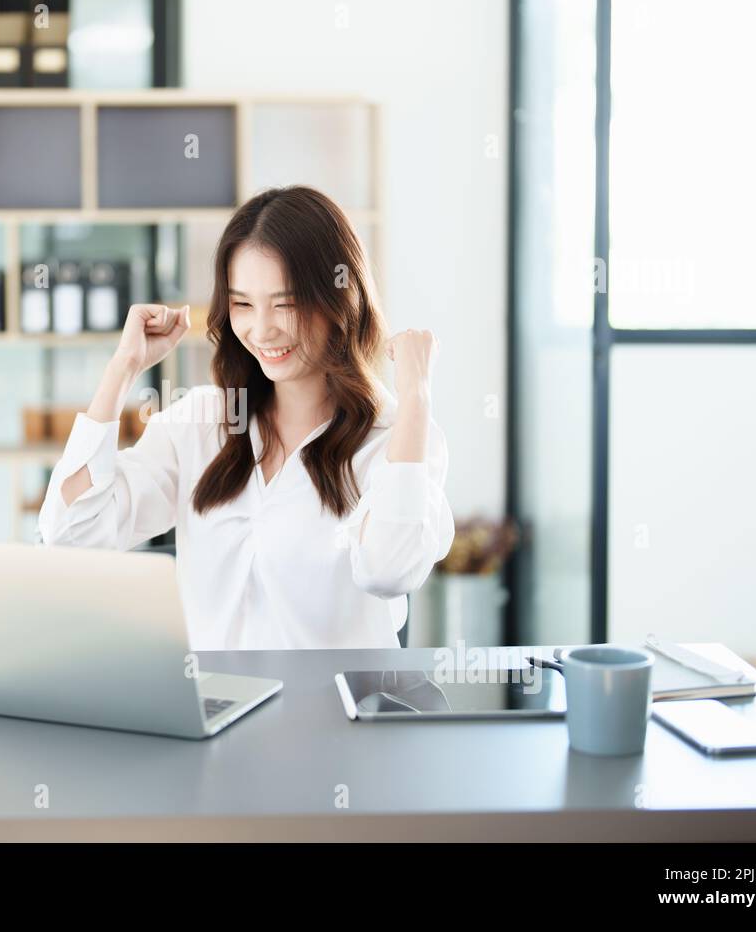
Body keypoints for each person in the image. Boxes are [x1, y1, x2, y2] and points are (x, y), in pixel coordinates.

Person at [38, 185, 454, 649]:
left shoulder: (396, 440)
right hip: (218, 713)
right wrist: (123, 368)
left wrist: (415, 396)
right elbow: (71, 535)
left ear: (339, 297)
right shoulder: (205, 420)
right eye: (242, 304)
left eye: (286, 303)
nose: (262, 329)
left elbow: (389, 570)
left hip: (336, 715)